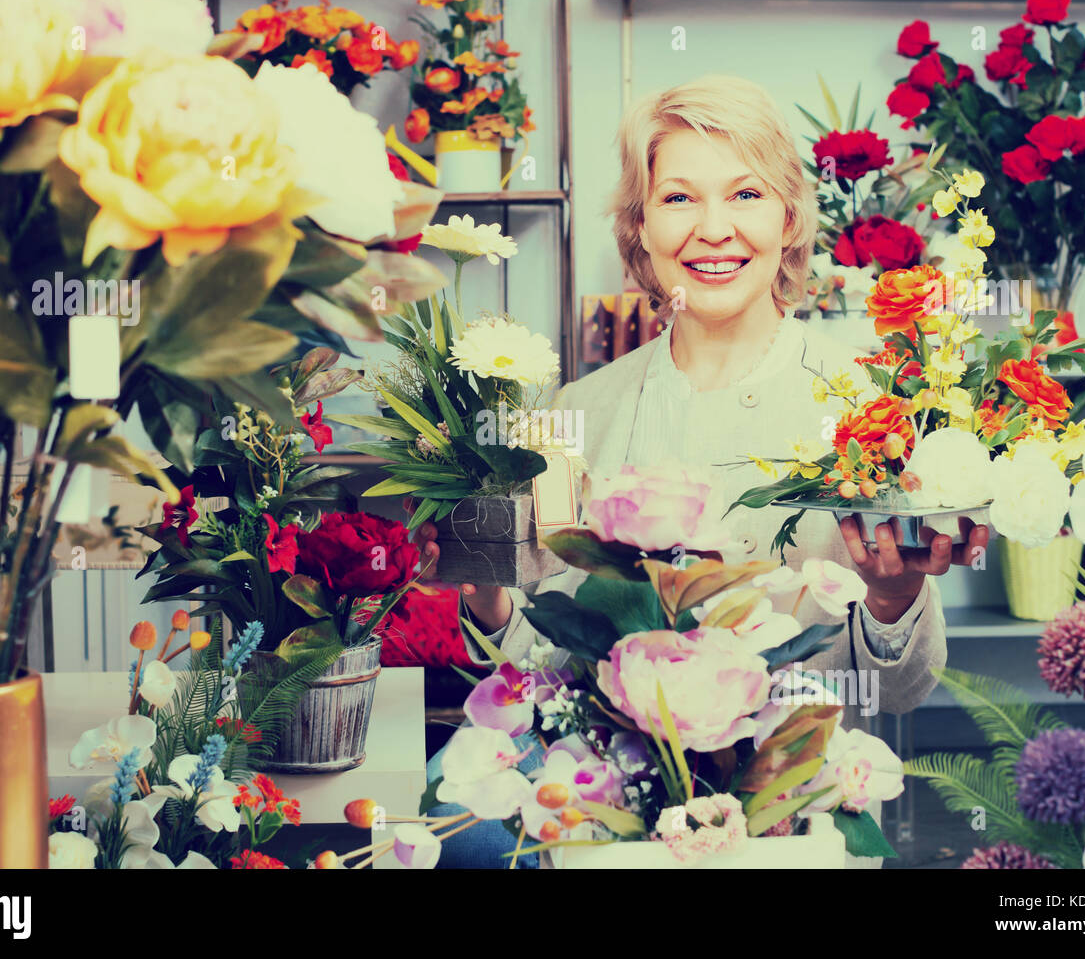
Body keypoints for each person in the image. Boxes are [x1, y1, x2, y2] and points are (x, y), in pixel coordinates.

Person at [416, 74, 990, 868]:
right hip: (607, 821)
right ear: (640, 226)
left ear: (789, 218)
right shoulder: (578, 408)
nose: (713, 230)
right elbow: (547, 671)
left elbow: (896, 694)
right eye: (679, 198)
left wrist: (895, 597)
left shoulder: (868, 405)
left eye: (746, 194)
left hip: (790, 815)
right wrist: (487, 596)